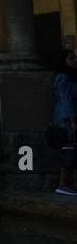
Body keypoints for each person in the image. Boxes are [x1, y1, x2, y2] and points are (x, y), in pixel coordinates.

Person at [52, 51, 77, 195]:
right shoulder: (62, 78)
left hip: (70, 116)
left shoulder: (70, 77)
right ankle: (63, 184)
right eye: (71, 58)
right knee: (68, 150)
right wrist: (72, 121)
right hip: (66, 119)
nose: (75, 60)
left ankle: (71, 184)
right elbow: (65, 99)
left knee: (72, 150)